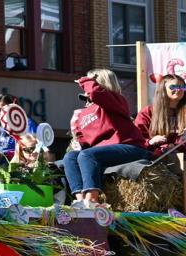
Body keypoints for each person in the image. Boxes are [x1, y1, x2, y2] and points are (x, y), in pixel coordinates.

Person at [60, 68, 151, 207]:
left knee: (86, 155)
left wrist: (84, 80)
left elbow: (97, 93)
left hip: (130, 147)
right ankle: (80, 200)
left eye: (91, 82)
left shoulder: (115, 101)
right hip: (101, 153)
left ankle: (92, 200)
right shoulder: (84, 112)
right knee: (70, 157)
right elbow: (85, 143)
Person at [134, 76, 186, 160]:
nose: (178, 89)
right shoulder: (147, 112)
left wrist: (177, 147)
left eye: (182, 87)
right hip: (154, 157)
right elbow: (138, 139)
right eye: (173, 86)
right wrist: (150, 142)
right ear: (163, 89)